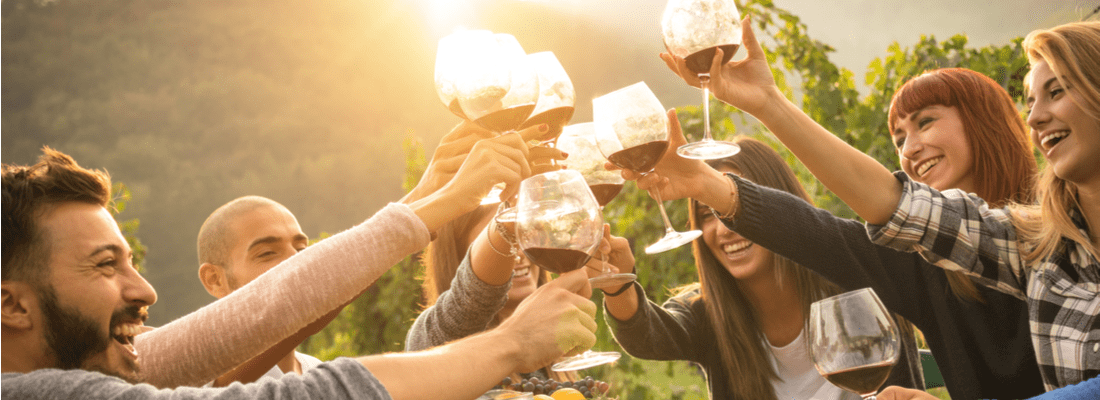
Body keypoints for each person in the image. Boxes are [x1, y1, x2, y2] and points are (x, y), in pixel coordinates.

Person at [660, 17, 1100, 391]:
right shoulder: (1023, 245)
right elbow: (849, 224)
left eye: (926, 122)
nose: (909, 150)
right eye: (899, 139)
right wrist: (748, 133)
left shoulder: (1038, 248)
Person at [2, 127, 597, 399]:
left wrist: (426, 201)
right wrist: (512, 344)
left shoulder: (92, 361)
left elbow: (257, 316)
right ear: (11, 305)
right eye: (104, 265)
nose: (145, 291)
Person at [600, 137, 922, 399]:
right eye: (708, 214)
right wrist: (618, 284)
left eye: (731, 208)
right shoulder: (708, 313)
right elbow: (648, 335)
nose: (724, 229)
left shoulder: (854, 284)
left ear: (776, 206)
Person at [194, 196, 326, 386]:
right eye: (267, 253)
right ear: (215, 280)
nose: (298, 260)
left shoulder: (318, 371)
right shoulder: (199, 382)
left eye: (301, 249)